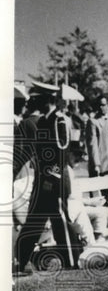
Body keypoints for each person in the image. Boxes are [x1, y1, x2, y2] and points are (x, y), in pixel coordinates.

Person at [14, 92, 79, 272]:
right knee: (34, 219)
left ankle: (72, 261)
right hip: (43, 178)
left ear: (49, 102)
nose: (37, 106)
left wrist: (52, 176)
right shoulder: (43, 121)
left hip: (55, 179)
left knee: (61, 221)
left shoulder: (59, 121)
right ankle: (20, 259)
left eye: (40, 102)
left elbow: (61, 152)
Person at [85, 94, 108, 207]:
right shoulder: (93, 121)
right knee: (100, 197)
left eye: (104, 105)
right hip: (100, 163)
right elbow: (92, 144)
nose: (102, 108)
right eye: (99, 105)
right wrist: (96, 164)